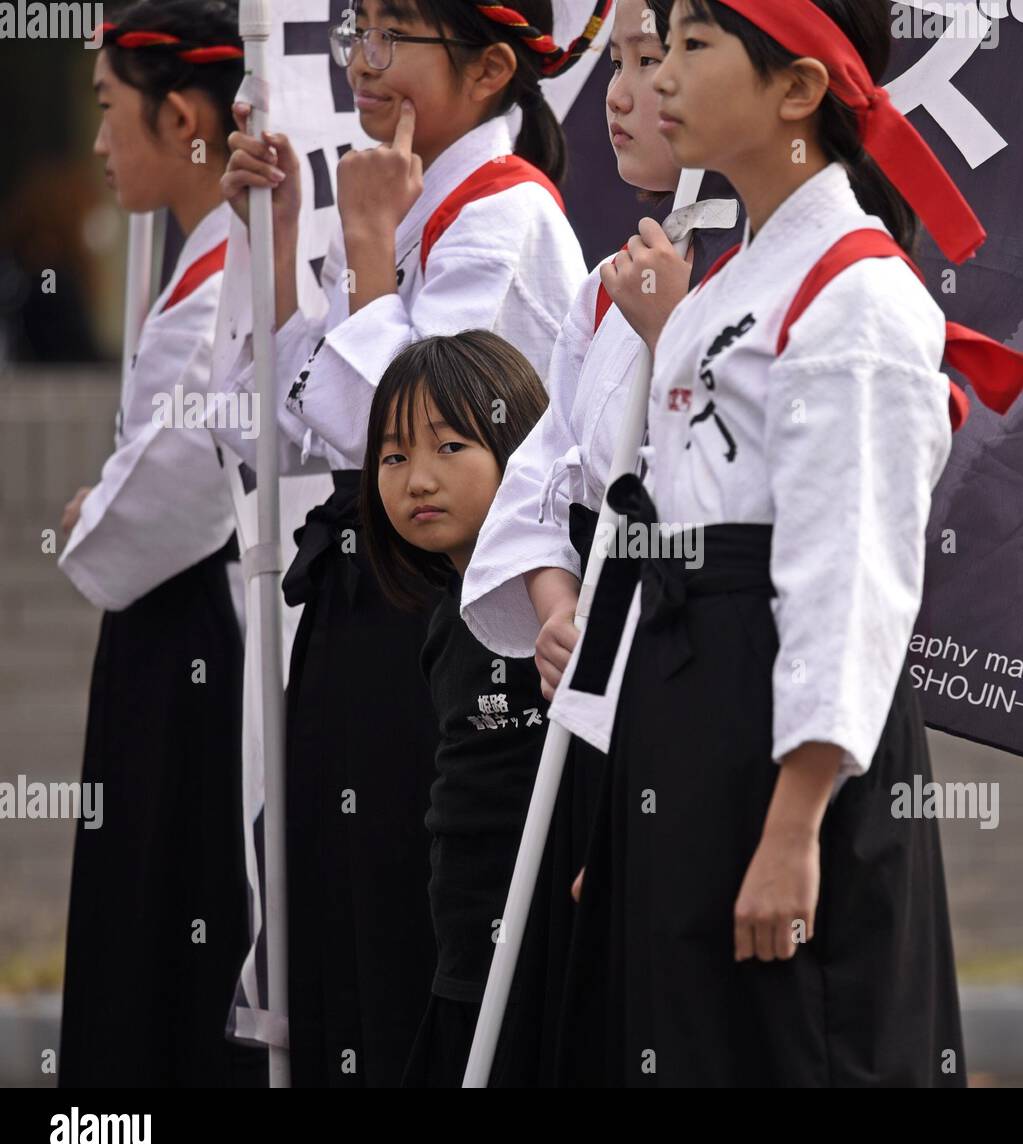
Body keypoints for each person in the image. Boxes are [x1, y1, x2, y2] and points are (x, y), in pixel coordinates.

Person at [554, 0, 1023, 1086]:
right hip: (686, 719)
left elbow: (851, 576)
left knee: (795, 1045)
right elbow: (659, 533)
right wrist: (625, 812)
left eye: (692, 45)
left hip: (776, 743)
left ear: (799, 89)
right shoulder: (730, 283)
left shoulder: (857, 295)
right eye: (657, 44)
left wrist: (795, 822)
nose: (657, 74)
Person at [212, 0, 603, 1086]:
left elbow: (406, 437)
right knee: (338, 916)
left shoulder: (506, 218)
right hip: (371, 603)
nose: (364, 66)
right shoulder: (424, 201)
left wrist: (372, 249)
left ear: (487, 70)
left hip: (444, 621)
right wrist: (286, 236)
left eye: (392, 38)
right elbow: (286, 418)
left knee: (403, 931)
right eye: (356, 34)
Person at [458, 0, 742, 1080]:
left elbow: (731, 494)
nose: (626, 92)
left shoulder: (756, 287)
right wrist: (554, 606)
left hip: (688, 697)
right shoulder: (600, 284)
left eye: (656, 58)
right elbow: (538, 483)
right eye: (618, 61)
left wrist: (674, 329)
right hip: (587, 708)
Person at [57, 0, 263, 1088]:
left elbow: (186, 485)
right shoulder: (209, 256)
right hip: (180, 627)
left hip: (196, 637)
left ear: (182, 116)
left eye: (107, 111)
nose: (95, 143)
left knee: (169, 900)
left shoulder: (236, 259)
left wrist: (95, 513)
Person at [358, 330, 551, 1086]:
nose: (418, 481)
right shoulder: (444, 619)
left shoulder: (557, 608)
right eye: (394, 456)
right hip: (466, 943)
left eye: (450, 447)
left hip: (547, 941)